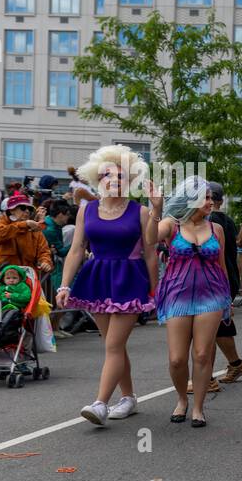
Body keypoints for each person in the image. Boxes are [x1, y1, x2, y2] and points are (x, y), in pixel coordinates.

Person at [56, 145, 162, 427]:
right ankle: (128, 397)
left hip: (129, 280)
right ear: (97, 178)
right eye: (106, 175)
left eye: (120, 176)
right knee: (113, 345)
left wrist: (155, 292)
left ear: (130, 180)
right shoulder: (86, 210)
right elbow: (76, 250)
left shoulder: (140, 212)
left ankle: (100, 403)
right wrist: (64, 286)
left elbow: (151, 253)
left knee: (114, 344)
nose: (113, 181)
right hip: (97, 279)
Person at [155, 179, 229, 428]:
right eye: (205, 197)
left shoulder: (216, 229)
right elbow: (148, 238)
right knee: (177, 358)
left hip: (212, 295)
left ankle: (198, 406)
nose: (211, 202)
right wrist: (155, 208)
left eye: (211, 197)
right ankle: (181, 399)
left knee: (201, 353)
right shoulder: (171, 225)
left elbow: (221, 266)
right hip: (177, 294)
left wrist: (228, 301)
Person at [205, 183, 242, 392]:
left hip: (218, 279)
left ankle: (207, 378)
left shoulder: (210, 222)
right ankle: (236, 365)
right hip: (227, 277)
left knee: (208, 329)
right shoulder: (227, 220)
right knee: (220, 327)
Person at [0, 195, 53, 279]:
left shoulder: (34, 230)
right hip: (1, 279)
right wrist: (25, 224)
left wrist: (45, 262)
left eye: (29, 209)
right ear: (11, 210)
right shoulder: (2, 222)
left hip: (26, 279)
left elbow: (44, 251)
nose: (27, 211)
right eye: (22, 208)